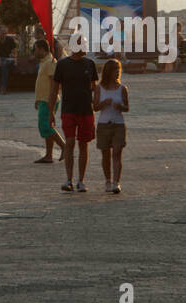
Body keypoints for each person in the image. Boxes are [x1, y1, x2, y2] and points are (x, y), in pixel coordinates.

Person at [50, 38, 98, 193]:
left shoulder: (90, 64)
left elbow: (94, 88)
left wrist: (97, 107)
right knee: (70, 143)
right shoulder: (62, 65)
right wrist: (51, 111)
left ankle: (81, 180)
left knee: (84, 144)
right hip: (68, 110)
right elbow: (54, 89)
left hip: (86, 110)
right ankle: (69, 179)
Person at [93, 58, 129, 194]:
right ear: (108, 72)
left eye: (119, 70)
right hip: (104, 124)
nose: (118, 73)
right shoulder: (99, 88)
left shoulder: (122, 88)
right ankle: (107, 180)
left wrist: (120, 106)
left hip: (118, 124)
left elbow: (127, 107)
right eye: (115, 70)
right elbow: (95, 107)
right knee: (105, 154)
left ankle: (116, 182)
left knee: (117, 152)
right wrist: (103, 104)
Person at [33, 39, 65, 164]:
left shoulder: (50, 62)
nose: (34, 52)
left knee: (45, 126)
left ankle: (64, 146)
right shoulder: (43, 62)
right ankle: (49, 155)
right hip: (43, 99)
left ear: (42, 49)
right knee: (47, 127)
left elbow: (54, 83)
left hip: (48, 100)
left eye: (35, 49)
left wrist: (50, 100)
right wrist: (37, 99)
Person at [0, 24, 18, 95]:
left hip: (7, 60)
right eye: (2, 33)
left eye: (5, 33)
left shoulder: (10, 40)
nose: (4, 35)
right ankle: (3, 87)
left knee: (4, 64)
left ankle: (3, 87)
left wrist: (13, 56)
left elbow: (15, 52)